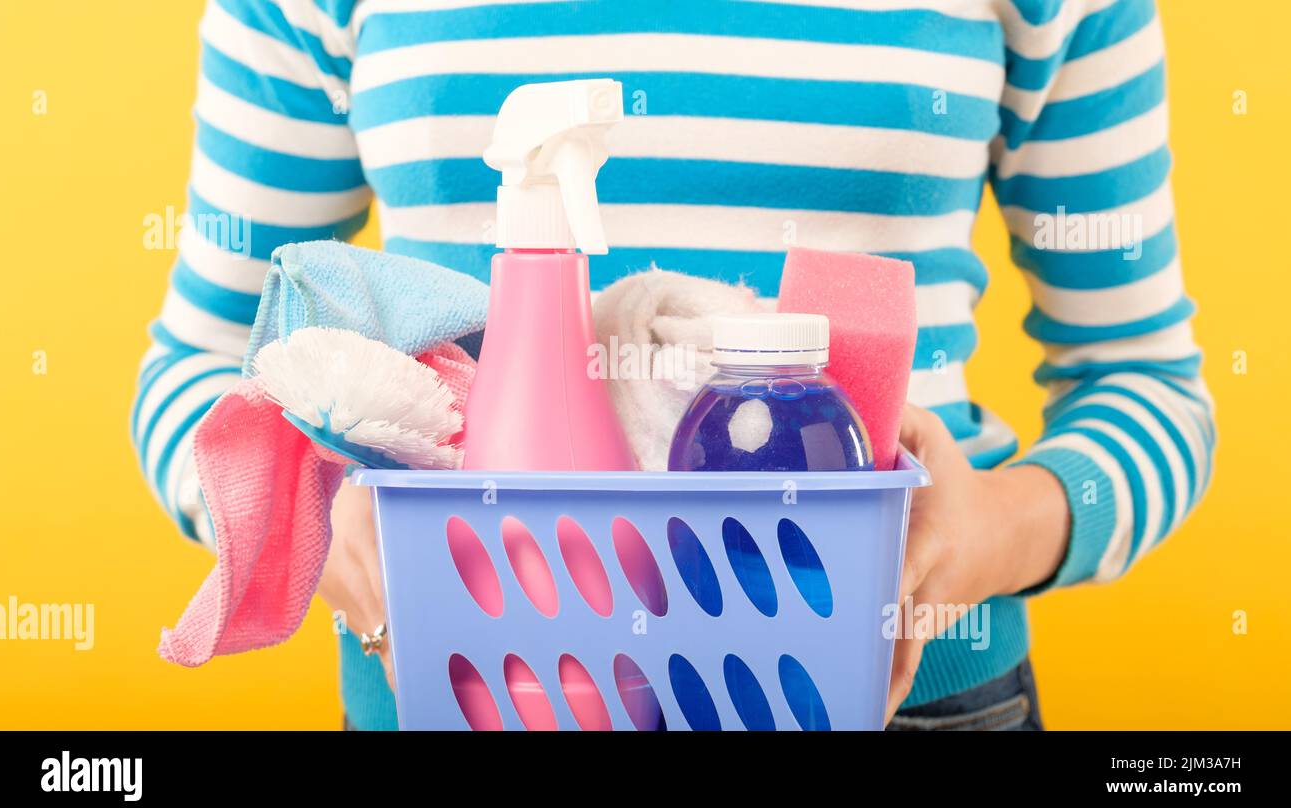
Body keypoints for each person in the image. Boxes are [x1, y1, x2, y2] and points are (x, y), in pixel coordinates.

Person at [131, 0, 1214, 731]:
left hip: (900, 697)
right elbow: (205, 366)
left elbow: (1147, 380)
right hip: (474, 689)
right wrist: (330, 530)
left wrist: (981, 535)